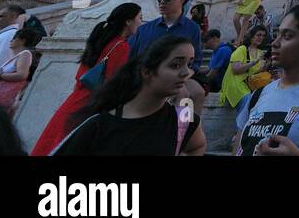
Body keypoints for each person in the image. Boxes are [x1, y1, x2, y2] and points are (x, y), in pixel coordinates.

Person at [52, 36, 205, 156]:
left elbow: (197, 146)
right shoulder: (98, 125)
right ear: (147, 72)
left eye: (189, 65)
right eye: (176, 65)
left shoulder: (183, 119)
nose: (186, 73)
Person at [33, 2, 142, 156]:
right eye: (139, 18)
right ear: (128, 21)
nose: (141, 22)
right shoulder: (121, 46)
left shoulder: (101, 39)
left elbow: (82, 73)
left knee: (53, 141)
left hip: (76, 96)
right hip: (91, 102)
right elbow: (112, 83)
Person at [233, 4, 299, 156]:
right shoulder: (259, 94)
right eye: (277, 35)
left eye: (287, 36)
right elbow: (238, 149)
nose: (274, 43)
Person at [219, 26, 273, 107]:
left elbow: (257, 72)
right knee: (247, 99)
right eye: (258, 35)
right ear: (251, 36)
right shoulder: (242, 49)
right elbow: (236, 70)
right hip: (235, 84)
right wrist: (254, 62)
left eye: (263, 36)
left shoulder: (260, 53)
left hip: (248, 84)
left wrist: (268, 63)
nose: (261, 37)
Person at [0, 26, 39, 111]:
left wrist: (0, 74)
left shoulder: (25, 54)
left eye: (14, 38)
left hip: (3, 100)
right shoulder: (19, 56)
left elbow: (22, 75)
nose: (11, 41)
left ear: (23, 40)